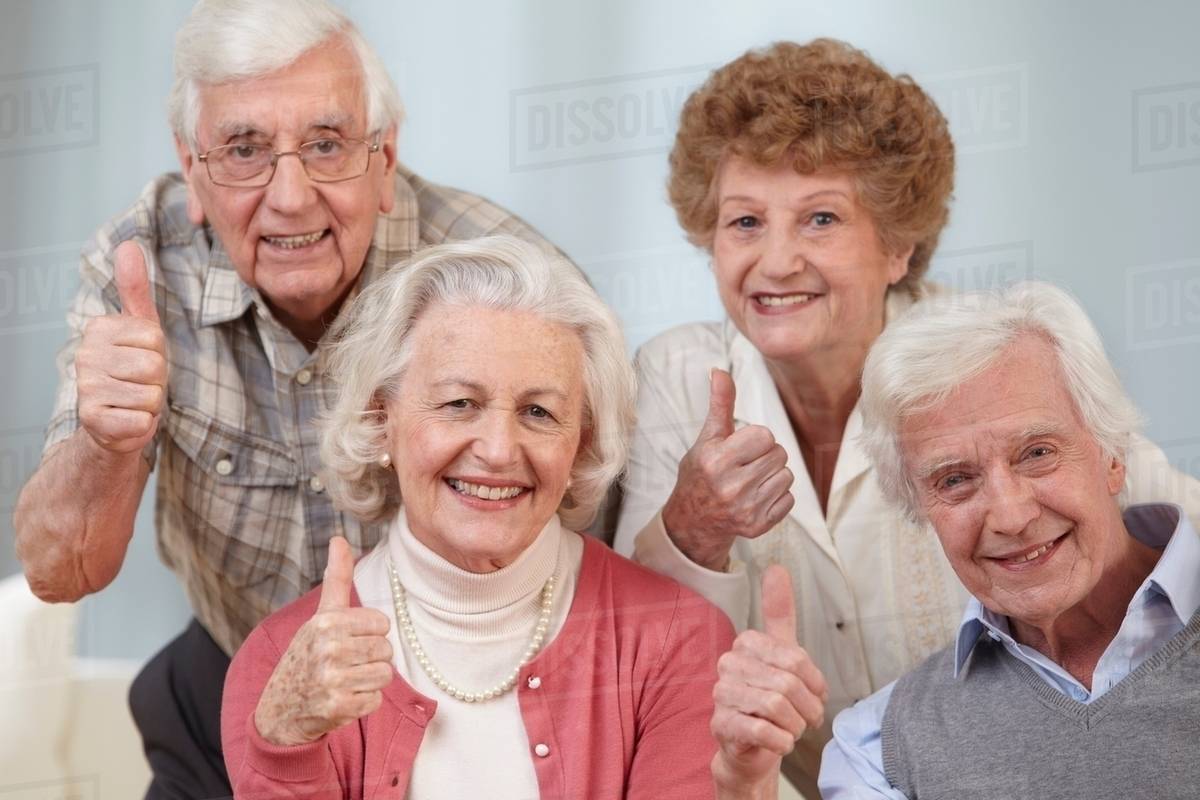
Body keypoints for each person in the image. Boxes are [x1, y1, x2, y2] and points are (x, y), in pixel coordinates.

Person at [612, 38, 1200, 795]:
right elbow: (635, 651)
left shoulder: (989, 361)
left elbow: (1150, 503)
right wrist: (694, 526)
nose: (777, 259)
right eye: (745, 223)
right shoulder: (680, 376)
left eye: (820, 219)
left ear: (898, 246)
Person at [12, 2, 571, 797]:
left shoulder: (502, 277)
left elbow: (596, 555)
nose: (290, 196)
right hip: (227, 685)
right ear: (192, 166)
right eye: (243, 149)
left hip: (461, 706)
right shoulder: (145, 269)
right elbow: (58, 570)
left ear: (386, 155)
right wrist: (103, 442)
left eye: (326, 145)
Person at [220, 235, 737, 799]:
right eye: (459, 403)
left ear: (580, 445)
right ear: (380, 418)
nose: (497, 450)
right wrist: (286, 744)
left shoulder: (677, 641)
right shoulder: (281, 664)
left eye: (539, 413)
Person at [819, 281, 1200, 798]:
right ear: (921, 509)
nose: (1011, 516)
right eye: (954, 480)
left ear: (1112, 454)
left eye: (1037, 453)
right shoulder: (875, 752)